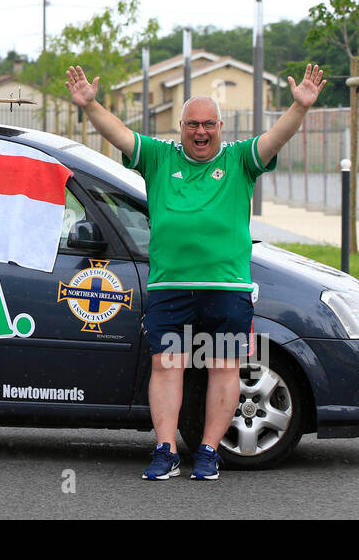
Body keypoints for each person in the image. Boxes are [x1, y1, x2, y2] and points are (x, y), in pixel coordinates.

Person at [66, 63, 328, 481]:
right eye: (192, 125)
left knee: (224, 368)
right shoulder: (158, 157)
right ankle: (165, 450)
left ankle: (208, 452)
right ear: (181, 127)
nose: (200, 132)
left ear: (220, 126)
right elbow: (118, 133)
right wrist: (91, 105)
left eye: (208, 124)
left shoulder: (241, 159)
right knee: (167, 366)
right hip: (171, 286)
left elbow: (277, 138)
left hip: (226, 287)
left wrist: (299, 108)